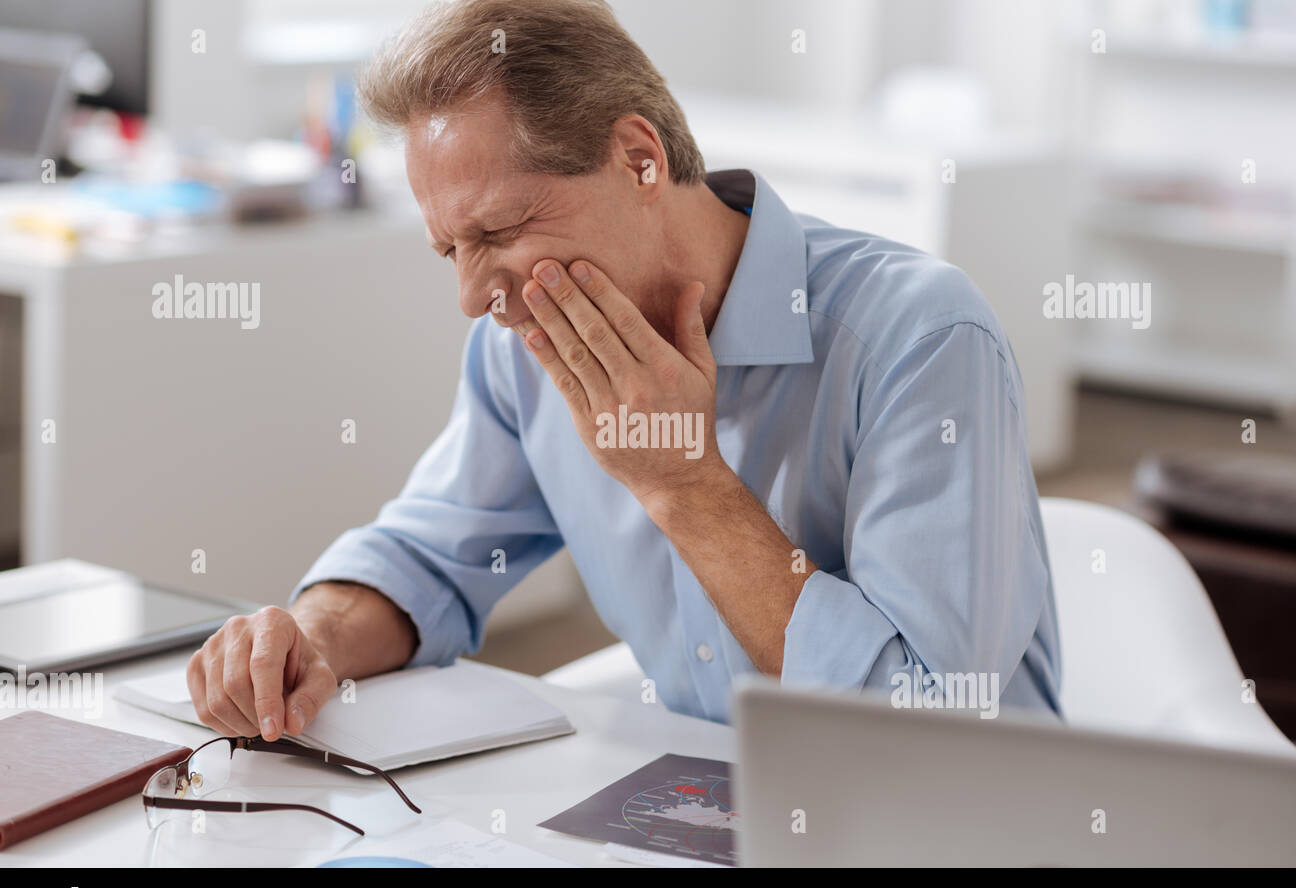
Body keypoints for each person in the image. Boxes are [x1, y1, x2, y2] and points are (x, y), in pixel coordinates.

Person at [186, 0, 1060, 739]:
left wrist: (688, 486)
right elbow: (427, 558)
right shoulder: (521, 345)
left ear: (640, 158)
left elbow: (931, 730)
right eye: (449, 248)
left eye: (496, 232)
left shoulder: (920, 337)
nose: (470, 295)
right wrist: (307, 636)